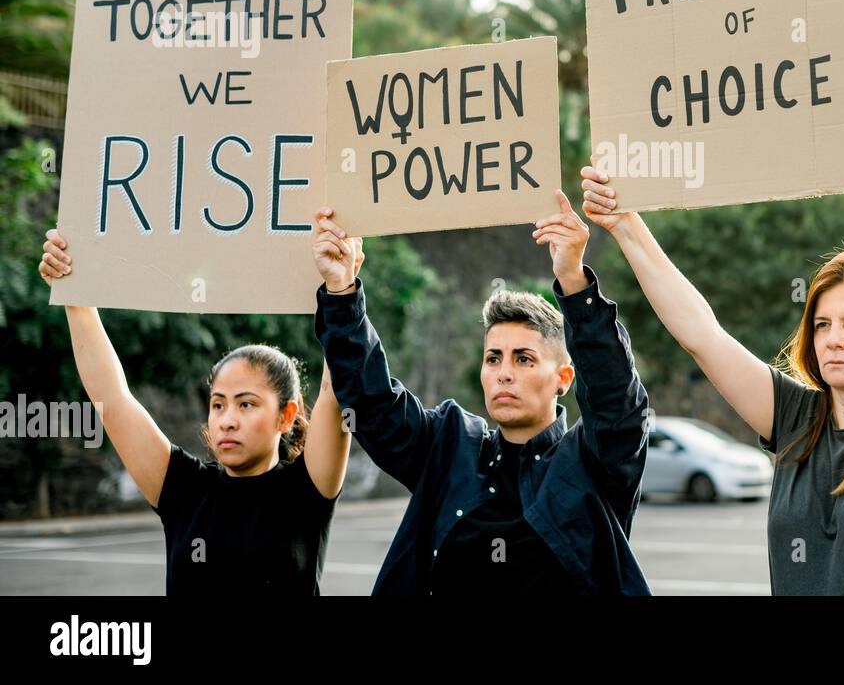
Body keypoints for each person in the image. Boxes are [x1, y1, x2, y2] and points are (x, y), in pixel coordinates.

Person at [580, 110, 844, 595]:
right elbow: (702, 335)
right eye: (822, 324)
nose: (833, 338)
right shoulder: (795, 418)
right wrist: (624, 224)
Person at [310, 189, 651, 595]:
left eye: (523, 359)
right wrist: (342, 290)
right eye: (493, 359)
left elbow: (618, 403)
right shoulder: (449, 446)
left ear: (563, 378)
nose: (504, 373)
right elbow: (373, 405)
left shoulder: (593, 463)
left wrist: (575, 282)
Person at [38, 228, 356, 595]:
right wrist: (75, 294)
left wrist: (341, 288)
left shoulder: (306, 489)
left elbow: (336, 390)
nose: (227, 419)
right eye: (218, 404)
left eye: (246, 404)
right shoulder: (184, 489)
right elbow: (112, 398)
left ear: (286, 416)